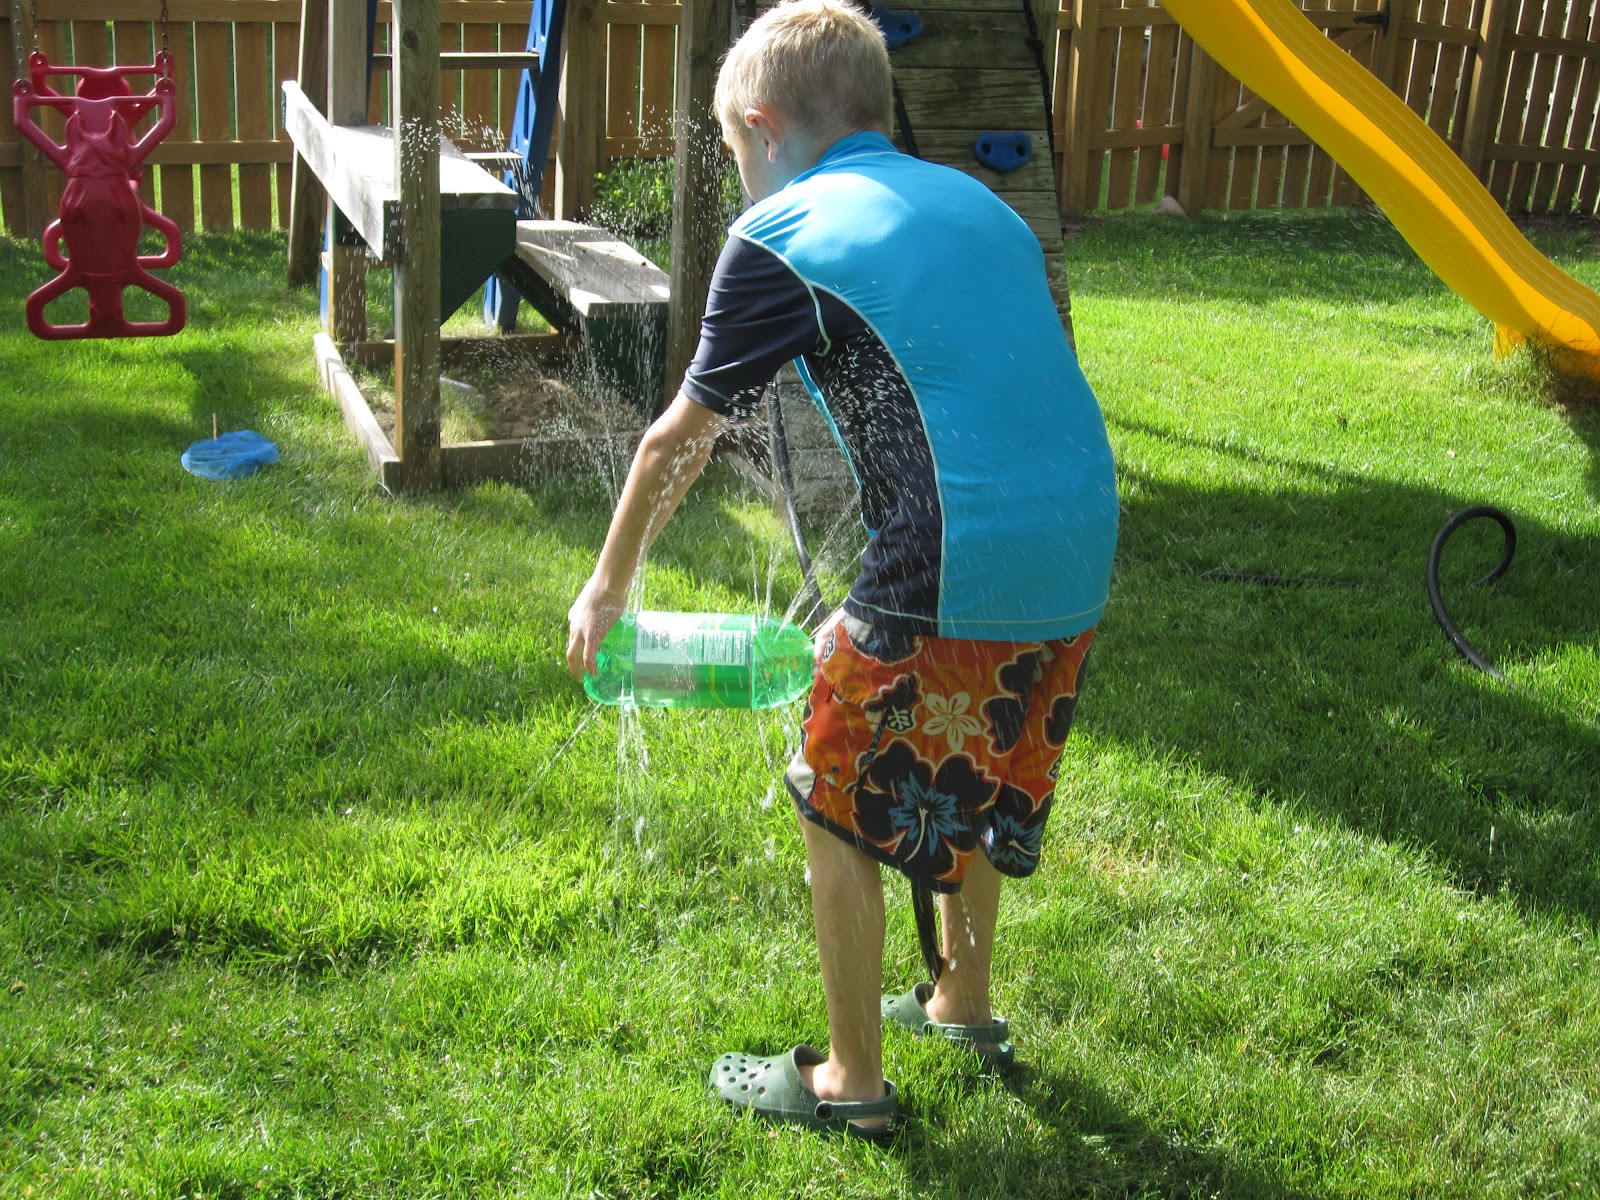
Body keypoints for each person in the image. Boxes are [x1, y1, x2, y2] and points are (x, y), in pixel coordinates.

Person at [565, 0, 1118, 1142]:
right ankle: (960, 1001)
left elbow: (680, 439)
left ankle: (849, 1083)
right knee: (960, 768)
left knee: (833, 794)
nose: (740, 180)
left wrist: (606, 587)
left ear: (760, 128)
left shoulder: (782, 233)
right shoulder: (978, 202)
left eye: (732, 155)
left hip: (957, 556)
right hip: (1078, 543)